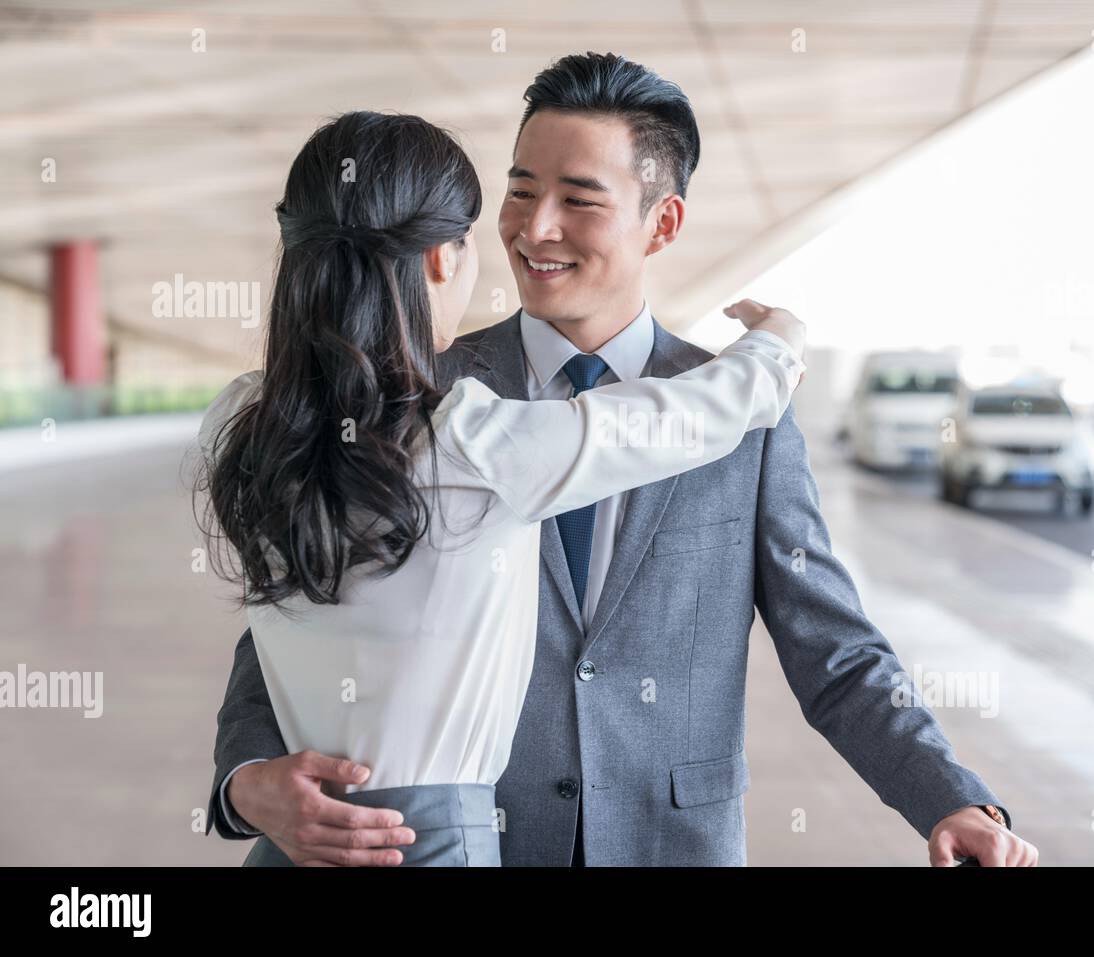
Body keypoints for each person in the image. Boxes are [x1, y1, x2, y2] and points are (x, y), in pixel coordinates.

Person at [210, 54, 1038, 867]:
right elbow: (295, 611)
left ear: (663, 222)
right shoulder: (418, 396)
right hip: (471, 839)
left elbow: (833, 646)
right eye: (521, 190)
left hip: (668, 845)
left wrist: (949, 795)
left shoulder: (742, 421)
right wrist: (248, 780)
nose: (534, 229)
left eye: (578, 199)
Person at [194, 109, 806, 866]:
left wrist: (249, 781)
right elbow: (687, 416)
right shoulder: (479, 444)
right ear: (441, 262)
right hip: (429, 845)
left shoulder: (241, 422)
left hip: (297, 844)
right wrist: (777, 342)